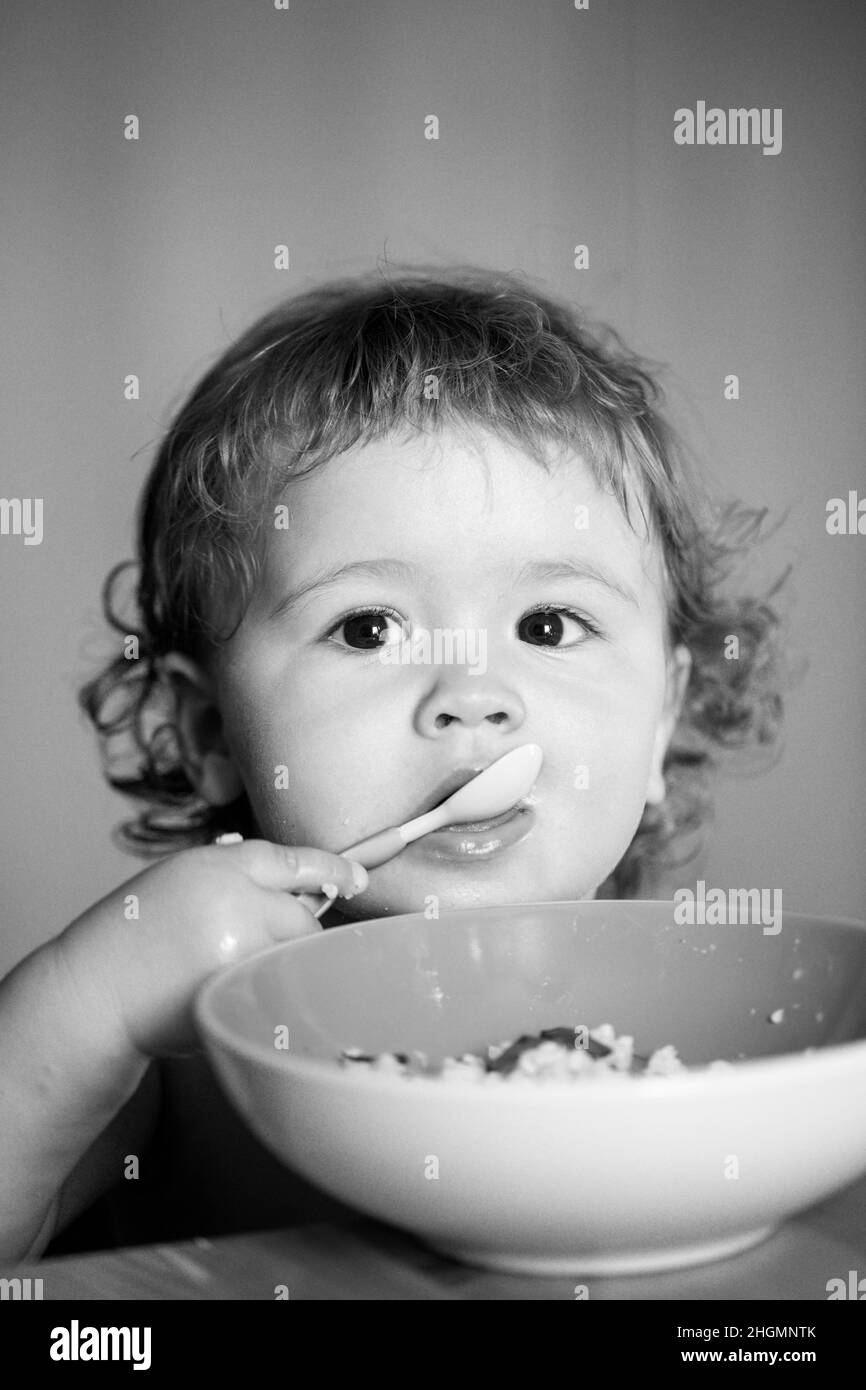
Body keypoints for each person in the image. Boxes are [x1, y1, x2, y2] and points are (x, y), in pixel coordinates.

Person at [0, 267, 792, 1261]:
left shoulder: (724, 1022)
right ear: (206, 733)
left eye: (546, 624)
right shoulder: (179, 1045)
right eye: (369, 628)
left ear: (661, 717)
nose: (469, 690)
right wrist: (89, 1004)